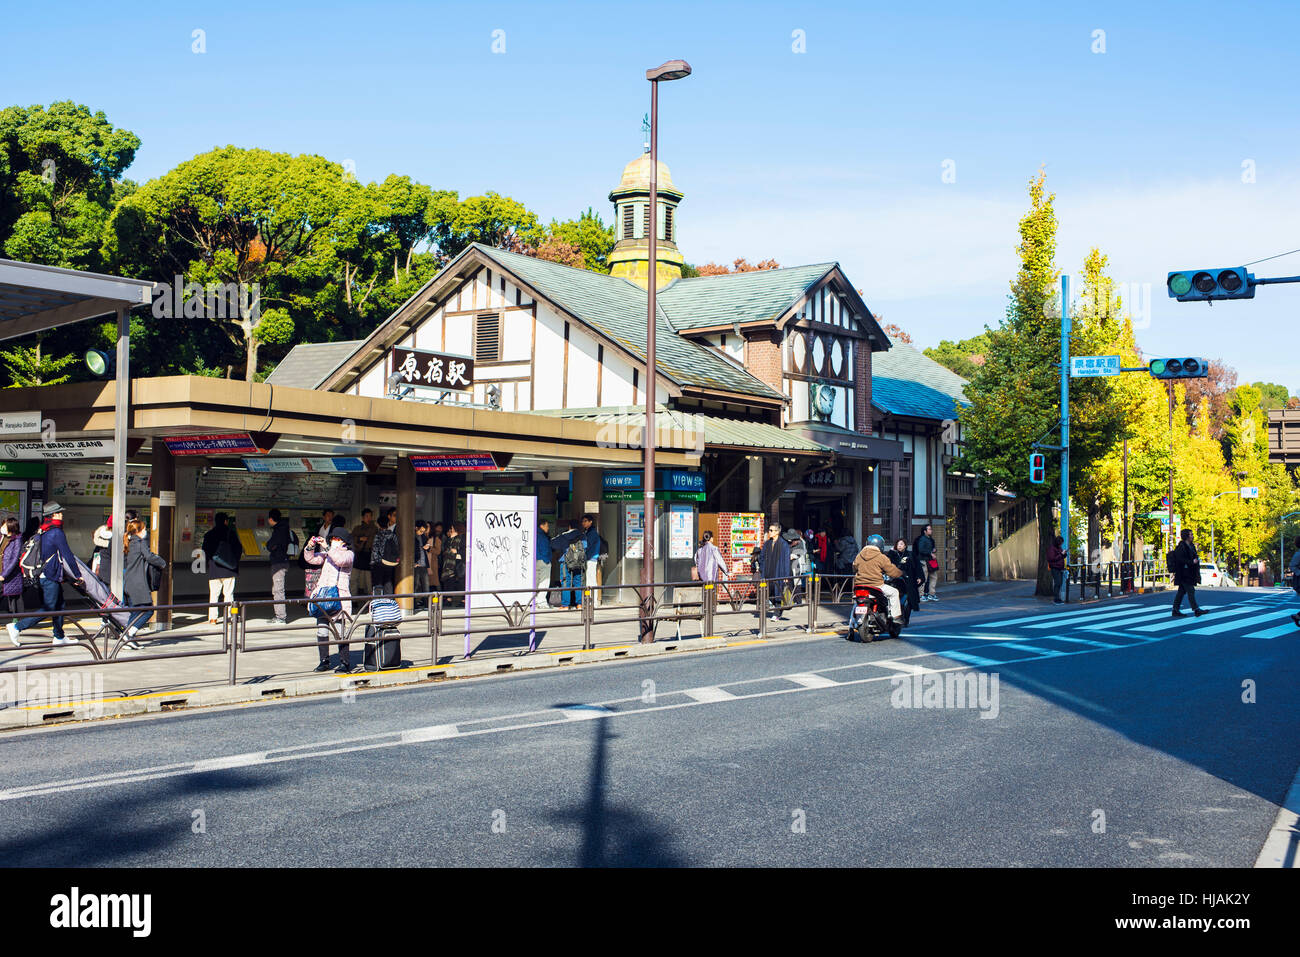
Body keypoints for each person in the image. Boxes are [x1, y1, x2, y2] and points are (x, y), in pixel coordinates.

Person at [7, 503, 83, 647]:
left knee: (59, 604)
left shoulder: (44, 531)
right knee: (49, 607)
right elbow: (67, 555)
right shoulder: (57, 532)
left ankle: (59, 636)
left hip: (44, 574)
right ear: (53, 515)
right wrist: (77, 574)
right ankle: (17, 627)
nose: (62, 515)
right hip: (50, 575)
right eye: (59, 513)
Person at [304, 525, 355, 673]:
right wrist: (310, 546)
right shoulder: (327, 554)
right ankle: (324, 661)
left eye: (337, 539)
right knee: (322, 630)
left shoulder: (349, 555)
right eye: (332, 538)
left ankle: (344, 663)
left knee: (340, 632)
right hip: (322, 597)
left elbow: (339, 560)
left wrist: (327, 548)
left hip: (339, 598)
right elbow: (311, 559)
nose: (334, 541)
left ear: (344, 542)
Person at [122, 517, 167, 650]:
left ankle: (128, 636)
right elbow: (149, 556)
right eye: (144, 528)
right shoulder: (140, 542)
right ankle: (128, 634)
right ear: (139, 531)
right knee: (148, 610)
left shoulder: (129, 542)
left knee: (136, 611)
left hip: (129, 582)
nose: (146, 531)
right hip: (138, 582)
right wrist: (162, 562)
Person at [202, 512, 242, 625]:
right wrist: (233, 561)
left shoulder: (209, 534)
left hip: (214, 569)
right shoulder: (231, 533)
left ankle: (213, 618)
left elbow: (205, 551)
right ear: (225, 521)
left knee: (214, 594)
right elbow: (238, 549)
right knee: (229, 594)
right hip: (229, 569)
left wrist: (210, 562)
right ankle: (229, 617)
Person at [854, 534, 904, 622]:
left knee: (855, 603)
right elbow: (892, 571)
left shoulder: (859, 556)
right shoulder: (881, 557)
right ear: (880, 545)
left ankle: (851, 625)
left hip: (859, 585)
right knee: (894, 592)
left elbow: (854, 567)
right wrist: (901, 573)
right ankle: (895, 617)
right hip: (876, 586)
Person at [758, 522, 792, 621]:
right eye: (769, 530)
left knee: (778, 592)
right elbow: (762, 556)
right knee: (769, 592)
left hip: (779, 572)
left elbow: (786, 561)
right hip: (767, 572)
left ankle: (776, 613)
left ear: (777, 532)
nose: (770, 532)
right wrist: (762, 568)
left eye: (772, 530)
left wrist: (786, 576)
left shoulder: (783, 544)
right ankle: (778, 609)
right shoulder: (767, 543)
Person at [265, 508, 292, 624]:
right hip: (283, 561)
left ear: (271, 519)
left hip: (279, 562)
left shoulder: (279, 530)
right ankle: (280, 615)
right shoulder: (284, 528)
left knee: (278, 590)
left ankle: (281, 617)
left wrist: (269, 545)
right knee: (278, 589)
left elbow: (271, 545)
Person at [885, 537, 921, 624]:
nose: (899, 546)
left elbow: (917, 567)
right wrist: (891, 552)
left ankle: (906, 619)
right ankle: (896, 618)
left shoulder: (910, 554)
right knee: (896, 600)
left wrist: (919, 577)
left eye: (901, 544)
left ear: (905, 546)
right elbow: (885, 562)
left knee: (909, 600)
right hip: (896, 581)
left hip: (909, 581)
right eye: (898, 544)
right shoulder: (893, 554)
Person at [1171, 528, 1205, 617]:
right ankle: (1196, 609)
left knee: (1181, 591)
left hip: (1190, 572)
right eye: (1191, 535)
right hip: (1183, 573)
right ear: (1186, 536)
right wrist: (1191, 562)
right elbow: (1180, 559)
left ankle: (1175, 609)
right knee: (1191, 590)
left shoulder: (1191, 546)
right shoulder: (1181, 547)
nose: (1192, 536)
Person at [553, 521, 584, 610]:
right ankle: (579, 604)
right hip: (579, 562)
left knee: (566, 582)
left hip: (566, 562)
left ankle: (565, 605)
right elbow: (585, 546)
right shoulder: (582, 536)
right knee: (578, 583)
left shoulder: (564, 536)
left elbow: (554, 544)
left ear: (569, 526)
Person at [370, 507, 398, 595]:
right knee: (388, 582)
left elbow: (375, 549)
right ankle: (389, 602)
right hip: (389, 562)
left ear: (378, 525)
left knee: (378, 583)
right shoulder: (392, 534)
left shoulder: (378, 535)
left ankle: (378, 602)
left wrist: (373, 562)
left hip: (378, 563)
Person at [350, 508, 377, 595]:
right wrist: (359, 538)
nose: (368, 518)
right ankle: (353, 597)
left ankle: (370, 598)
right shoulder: (357, 528)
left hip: (369, 554)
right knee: (354, 578)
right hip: (358, 554)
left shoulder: (374, 528)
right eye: (366, 516)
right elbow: (351, 539)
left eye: (370, 516)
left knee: (369, 579)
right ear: (362, 517)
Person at [0, 517, 23, 614]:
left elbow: (14, 559)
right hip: (1, 570)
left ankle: (15, 620)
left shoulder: (16, 540)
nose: (2, 527)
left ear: (10, 526)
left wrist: (4, 575)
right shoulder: (2, 538)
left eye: (4, 525)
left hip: (8, 574)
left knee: (13, 598)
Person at [440, 523, 466, 606]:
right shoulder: (451, 538)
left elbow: (465, 549)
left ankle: (464, 600)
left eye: (452, 528)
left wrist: (457, 552)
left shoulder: (463, 537)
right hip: (450, 562)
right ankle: (448, 599)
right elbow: (445, 548)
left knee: (461, 581)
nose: (451, 530)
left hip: (459, 562)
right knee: (449, 579)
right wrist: (451, 538)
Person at [580, 514, 602, 607]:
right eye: (583, 521)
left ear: (590, 522)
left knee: (590, 580)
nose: (583, 523)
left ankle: (592, 601)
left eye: (585, 521)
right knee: (590, 579)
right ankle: (591, 600)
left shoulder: (591, 533)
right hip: (590, 559)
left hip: (591, 559)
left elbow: (587, 546)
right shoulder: (589, 532)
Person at [914, 524, 938, 601]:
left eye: (931, 529)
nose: (931, 530)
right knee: (923, 577)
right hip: (923, 560)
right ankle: (921, 595)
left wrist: (934, 550)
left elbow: (931, 548)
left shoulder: (930, 539)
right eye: (929, 529)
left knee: (934, 577)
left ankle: (931, 594)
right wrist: (930, 553)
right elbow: (921, 550)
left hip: (930, 561)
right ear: (925, 531)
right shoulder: (922, 539)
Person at [536, 518, 553, 608]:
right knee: (544, 581)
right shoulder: (542, 536)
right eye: (546, 525)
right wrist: (547, 559)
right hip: (543, 561)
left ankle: (534, 601)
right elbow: (545, 549)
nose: (548, 528)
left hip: (536, 561)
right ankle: (541, 602)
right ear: (541, 526)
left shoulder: (534, 533)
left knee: (536, 581)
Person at [413, 519, 430, 610]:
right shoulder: (412, 536)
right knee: (415, 586)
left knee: (426, 585)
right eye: (420, 531)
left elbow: (426, 548)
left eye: (423, 531)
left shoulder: (423, 537)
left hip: (423, 564)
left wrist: (427, 547)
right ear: (416, 528)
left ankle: (427, 605)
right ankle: (414, 605)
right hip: (416, 564)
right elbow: (410, 550)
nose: (421, 532)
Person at [1047, 534, 1067, 603]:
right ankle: (1056, 598)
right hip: (1055, 568)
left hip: (1060, 568)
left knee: (1060, 583)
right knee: (1057, 583)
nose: (1061, 544)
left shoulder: (1059, 548)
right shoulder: (1051, 548)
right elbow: (1051, 559)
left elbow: (1060, 556)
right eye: (1060, 543)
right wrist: (1061, 554)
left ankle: (1057, 597)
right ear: (1058, 542)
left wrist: (1064, 554)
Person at [426, 521, 443, 597]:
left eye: (428, 527)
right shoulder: (421, 537)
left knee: (434, 583)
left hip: (432, 564)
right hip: (423, 563)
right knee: (425, 584)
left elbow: (438, 551)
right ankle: (425, 600)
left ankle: (436, 600)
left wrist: (429, 548)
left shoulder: (436, 539)